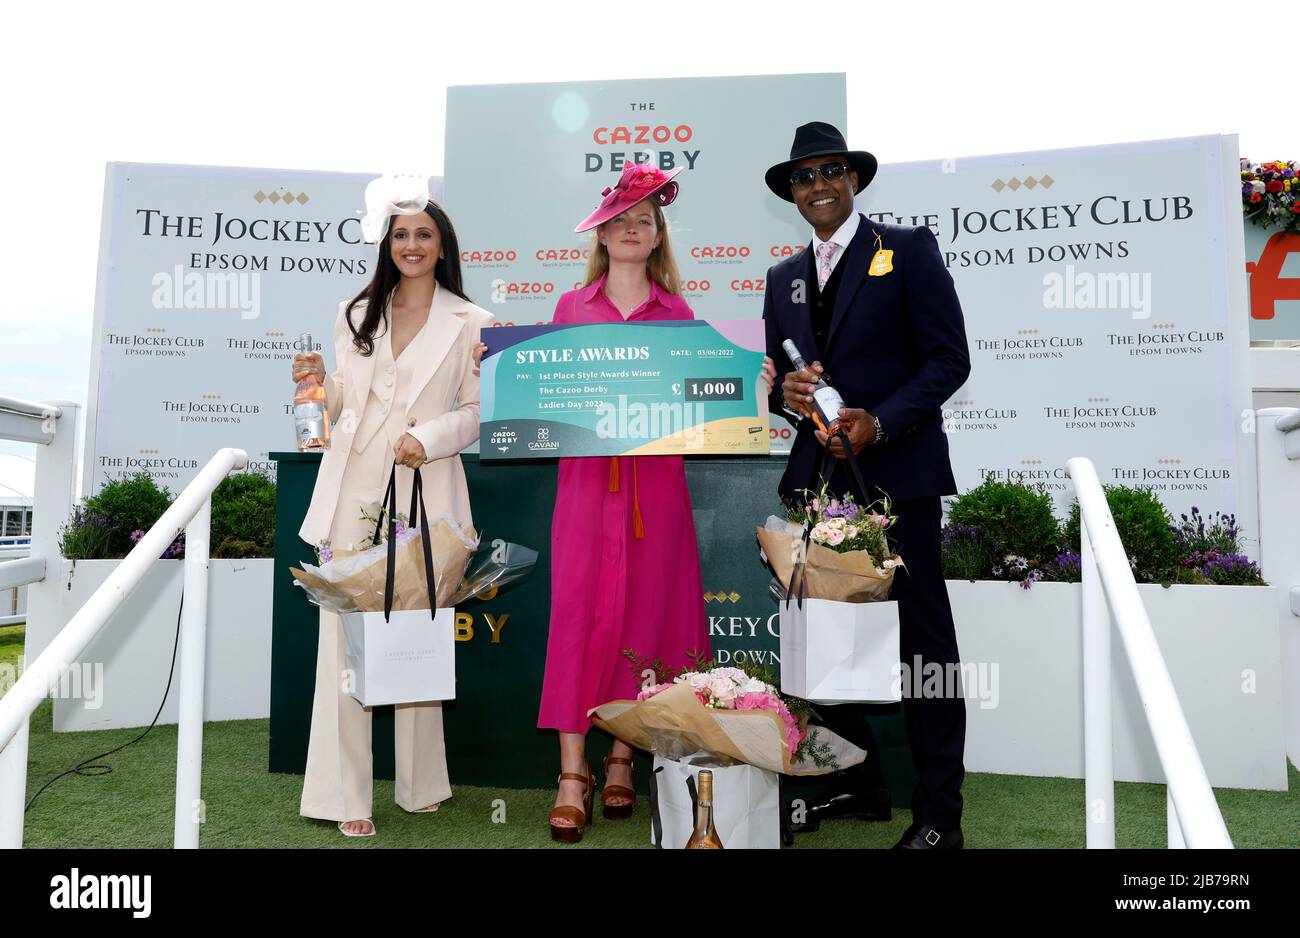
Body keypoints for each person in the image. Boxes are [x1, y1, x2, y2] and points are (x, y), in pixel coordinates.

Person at [760, 122, 972, 849]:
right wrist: (784, 393)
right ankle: (858, 782)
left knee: (923, 650)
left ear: (853, 179)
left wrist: (878, 424)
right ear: (792, 192)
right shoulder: (782, 276)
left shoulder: (906, 251)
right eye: (803, 177)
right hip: (817, 488)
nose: (818, 185)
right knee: (821, 641)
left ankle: (941, 815)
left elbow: (948, 363)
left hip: (897, 479)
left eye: (831, 171)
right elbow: (780, 384)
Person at [294, 177, 493, 837]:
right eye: (401, 234)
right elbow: (342, 405)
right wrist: (316, 393)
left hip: (427, 491)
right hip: (351, 493)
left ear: (442, 246)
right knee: (344, 645)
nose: (411, 244)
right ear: (388, 243)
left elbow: (475, 414)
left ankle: (420, 783)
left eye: (423, 234)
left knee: (415, 637)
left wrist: (428, 439)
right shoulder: (354, 311)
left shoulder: (473, 322)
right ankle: (344, 795)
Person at [536, 162, 710, 843]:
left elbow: (702, 409)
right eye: (621, 220)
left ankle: (620, 759)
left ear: (657, 234)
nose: (632, 229)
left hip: (655, 488)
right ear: (602, 234)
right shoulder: (569, 308)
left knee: (647, 615)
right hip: (585, 487)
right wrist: (499, 381)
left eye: (645, 219)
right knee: (578, 616)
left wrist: (743, 380)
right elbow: (542, 400)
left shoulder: (681, 315)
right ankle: (572, 774)